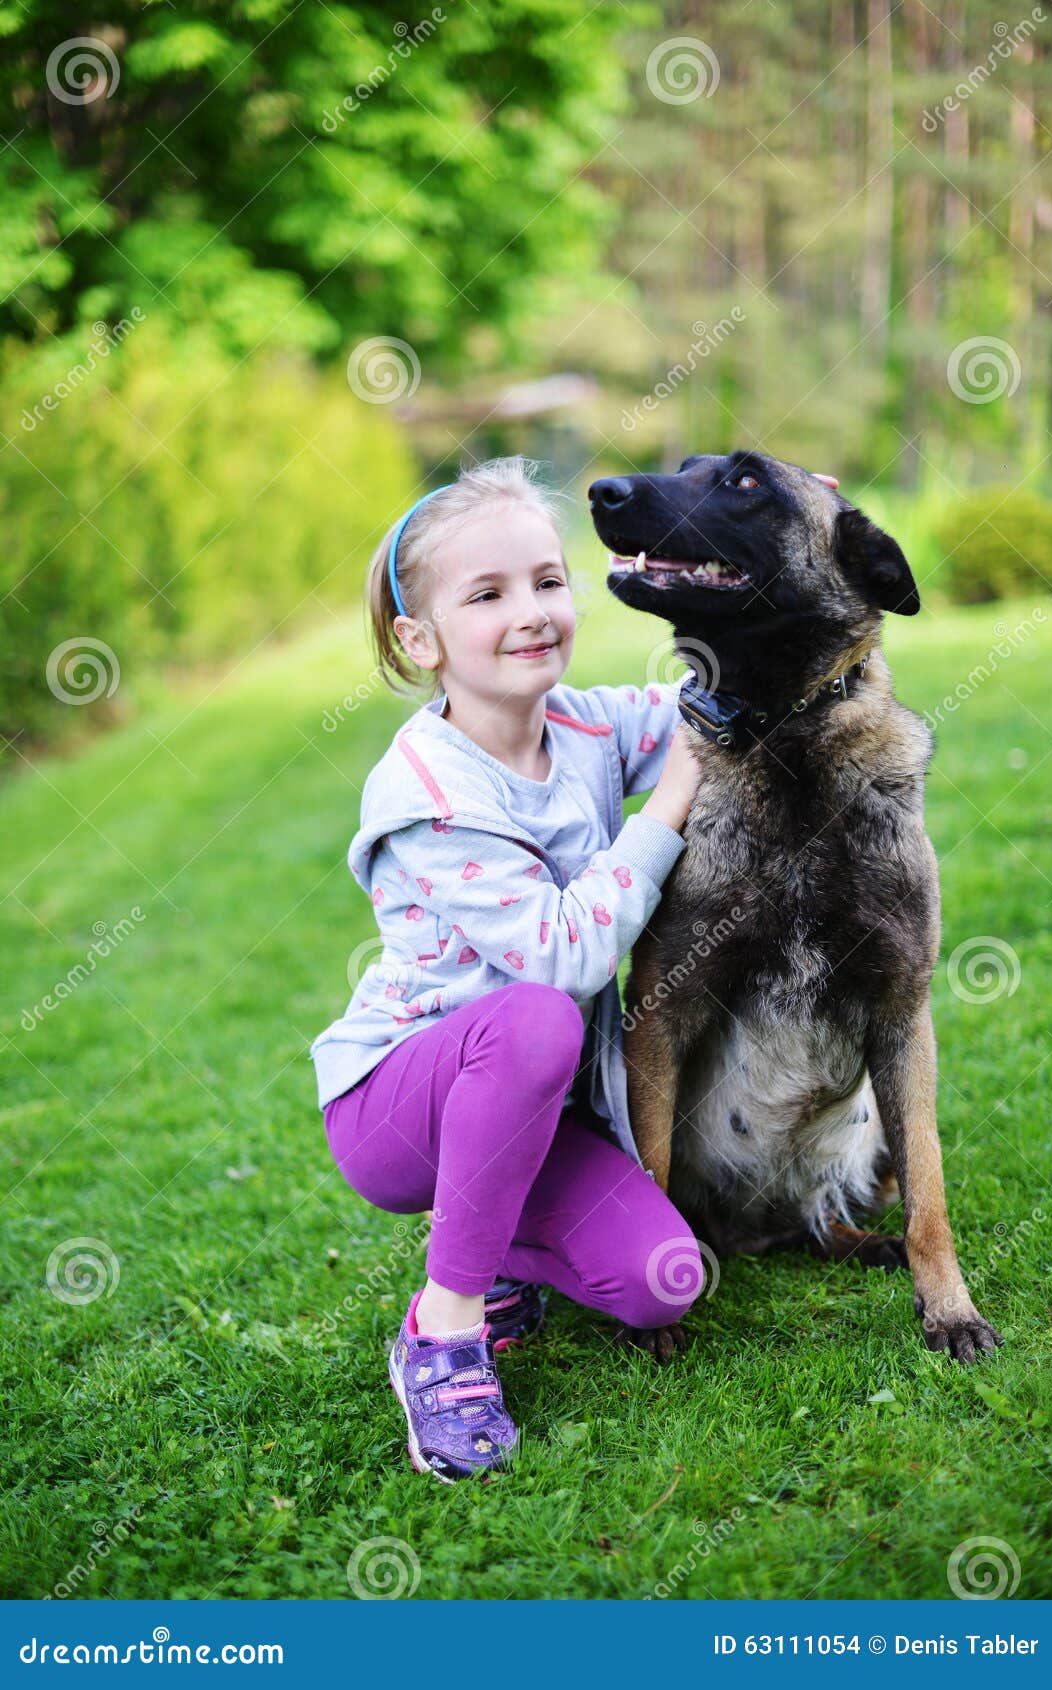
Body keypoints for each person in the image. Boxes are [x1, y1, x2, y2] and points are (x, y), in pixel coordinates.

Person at [310, 456, 707, 1483]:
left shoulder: (577, 723)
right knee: (538, 1017)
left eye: (546, 580)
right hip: (397, 1110)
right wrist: (664, 810)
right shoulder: (428, 793)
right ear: (420, 637)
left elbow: (708, 712)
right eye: (487, 595)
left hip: (533, 1115)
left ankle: (486, 1259)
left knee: (667, 1279)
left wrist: (781, 544)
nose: (532, 612)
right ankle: (443, 1330)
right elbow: (566, 951)